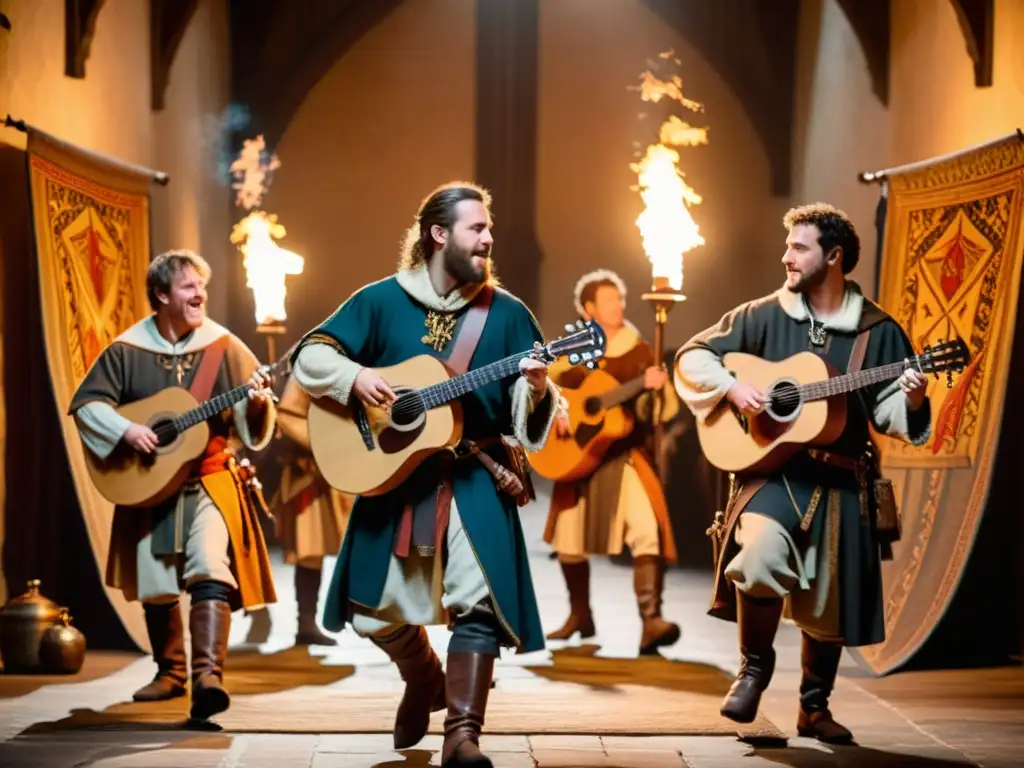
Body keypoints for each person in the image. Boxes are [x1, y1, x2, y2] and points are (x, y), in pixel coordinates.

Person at [290, 182, 560, 767]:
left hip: (474, 474)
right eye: (476, 228)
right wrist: (354, 378)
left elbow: (533, 418)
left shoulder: (509, 315)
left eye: (489, 229)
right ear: (438, 235)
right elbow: (309, 356)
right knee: (368, 611)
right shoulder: (381, 300)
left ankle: (463, 735)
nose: (489, 238)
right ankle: (424, 676)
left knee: (479, 602)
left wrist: (537, 390)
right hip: (393, 475)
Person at [673, 203, 930, 743]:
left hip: (840, 478)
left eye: (799, 247)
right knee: (760, 557)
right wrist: (731, 387)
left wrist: (912, 396)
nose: (785, 256)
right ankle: (752, 671)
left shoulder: (876, 331)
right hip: (772, 474)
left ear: (833, 257)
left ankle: (814, 706)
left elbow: (890, 416)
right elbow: (695, 356)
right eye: (788, 245)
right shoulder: (762, 314)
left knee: (830, 601)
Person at [70, 249, 278, 722]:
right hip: (149, 480)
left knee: (209, 564)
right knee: (155, 579)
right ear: (162, 295)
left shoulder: (224, 346)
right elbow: (87, 405)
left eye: (201, 285)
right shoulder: (127, 349)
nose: (199, 294)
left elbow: (252, 422)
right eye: (188, 286)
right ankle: (171, 672)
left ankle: (208, 677)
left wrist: (259, 400)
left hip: (209, 477)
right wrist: (127, 431)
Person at [543, 269, 682, 655]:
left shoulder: (640, 349)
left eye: (618, 299)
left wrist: (653, 392)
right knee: (569, 538)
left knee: (646, 530)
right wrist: (558, 408)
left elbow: (664, 408)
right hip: (579, 456)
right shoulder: (576, 346)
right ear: (589, 309)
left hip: (625, 455)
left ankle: (651, 620)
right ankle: (579, 614)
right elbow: (544, 379)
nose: (618, 306)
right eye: (608, 301)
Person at [272, 376, 354, 646]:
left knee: (356, 547)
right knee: (310, 550)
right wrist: (322, 444)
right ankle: (305, 623)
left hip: (348, 470)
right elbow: (288, 416)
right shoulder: (309, 365)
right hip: (309, 473)